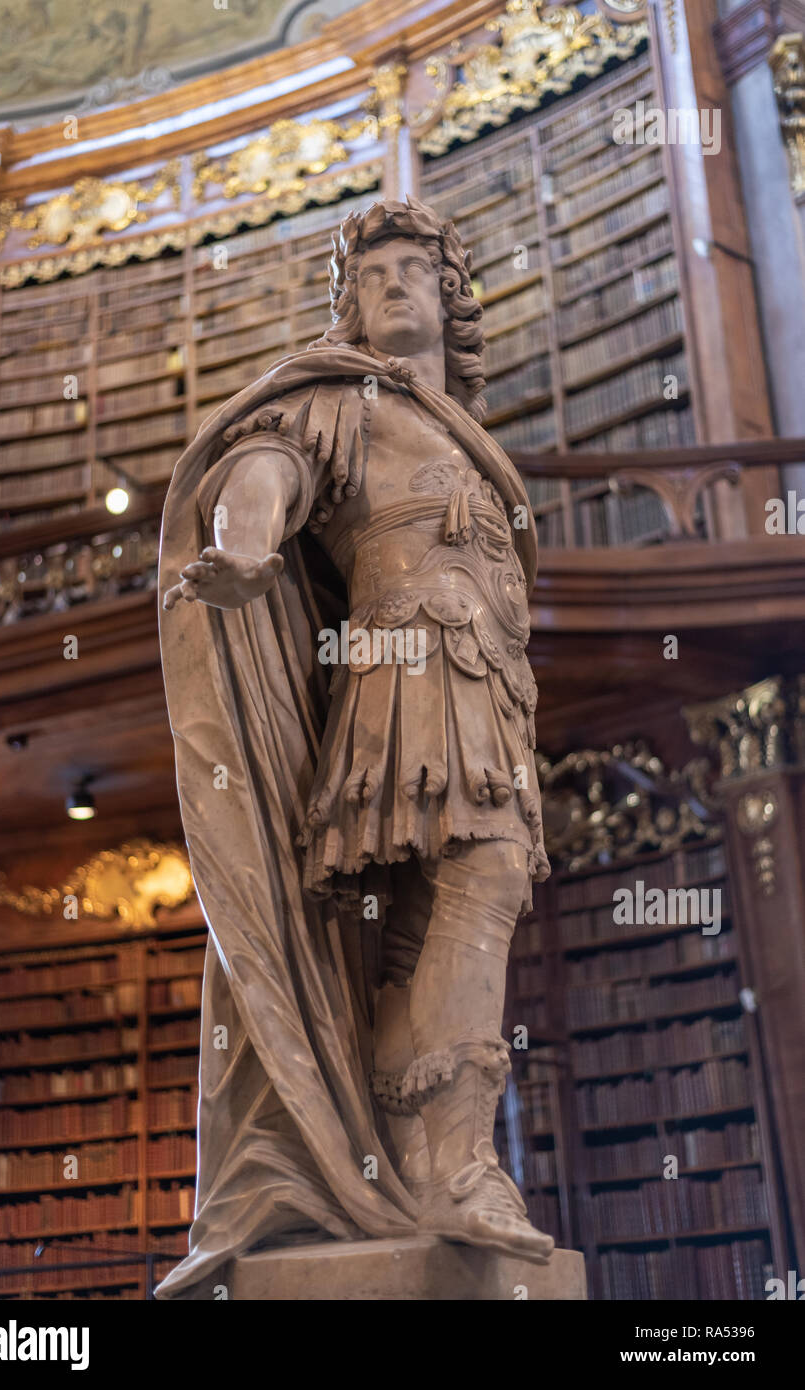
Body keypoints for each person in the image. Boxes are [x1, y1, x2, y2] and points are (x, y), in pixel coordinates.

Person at [157, 196, 552, 1298]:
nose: (390, 284)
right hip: (402, 672)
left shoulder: (465, 431)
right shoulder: (343, 395)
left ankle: (405, 1163)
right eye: (371, 270)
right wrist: (242, 547)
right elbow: (265, 464)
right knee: (483, 874)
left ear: (447, 294)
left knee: (420, 920)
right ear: (351, 299)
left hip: (492, 687)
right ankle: (459, 1167)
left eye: (410, 270)